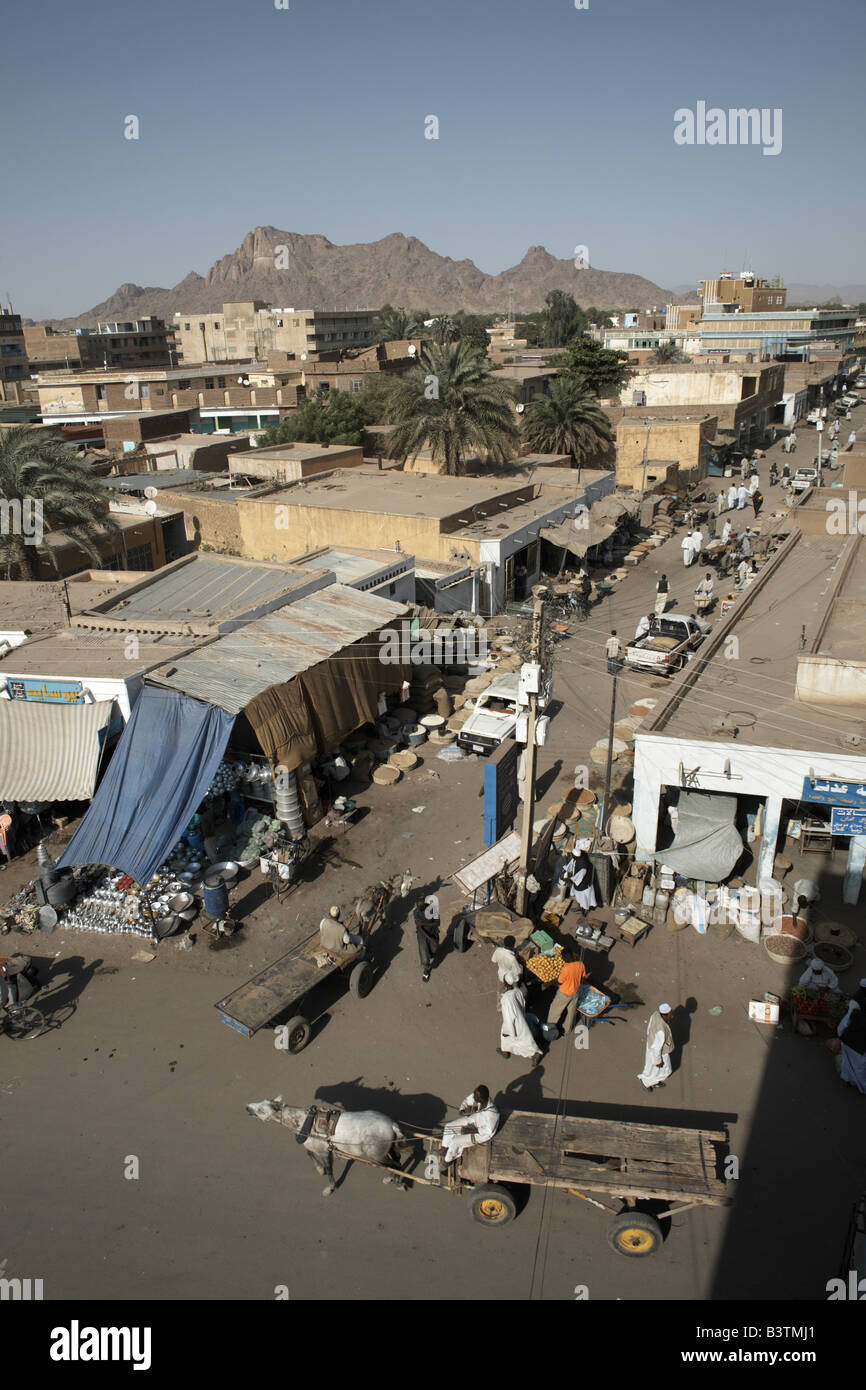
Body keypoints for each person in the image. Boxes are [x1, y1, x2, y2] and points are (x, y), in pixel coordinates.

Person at [441, 1086, 500, 1164]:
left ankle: (447, 1161)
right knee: (449, 1126)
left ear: (481, 1099)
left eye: (475, 1096)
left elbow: (488, 1131)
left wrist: (470, 1130)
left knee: (455, 1141)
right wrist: (462, 1109)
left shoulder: (492, 1114)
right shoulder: (481, 1099)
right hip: (476, 1119)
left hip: (481, 1134)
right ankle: (444, 1148)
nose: (473, 1097)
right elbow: (467, 1100)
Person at [546, 946, 587, 1035]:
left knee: (555, 1010)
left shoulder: (566, 968)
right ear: (572, 955)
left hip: (564, 993)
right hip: (575, 992)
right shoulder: (580, 964)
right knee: (571, 1012)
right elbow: (583, 977)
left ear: (564, 959)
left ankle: (550, 1029)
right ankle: (566, 1030)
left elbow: (560, 982)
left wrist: (551, 982)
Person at [498, 982, 542, 1062]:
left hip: (513, 1024)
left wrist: (508, 1031)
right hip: (521, 1018)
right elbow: (523, 1004)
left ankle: (534, 1053)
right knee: (524, 1038)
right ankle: (504, 1050)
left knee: (511, 1039)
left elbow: (508, 1017)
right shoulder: (517, 991)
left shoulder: (506, 998)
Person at [836, 982, 866, 1094]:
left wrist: (840, 1036)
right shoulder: (858, 1006)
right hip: (859, 1046)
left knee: (847, 1063)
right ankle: (863, 1087)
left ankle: (847, 1080)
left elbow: (844, 1025)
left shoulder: (855, 1010)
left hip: (848, 1042)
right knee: (860, 1068)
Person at [638, 1003, 674, 1090]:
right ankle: (647, 1083)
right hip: (658, 1053)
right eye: (670, 1014)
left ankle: (652, 1081)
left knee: (652, 1069)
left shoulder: (655, 1015)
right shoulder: (661, 1031)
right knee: (664, 1071)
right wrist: (658, 1061)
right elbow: (657, 1048)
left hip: (651, 1045)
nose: (672, 1016)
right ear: (665, 1014)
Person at [414, 896, 440, 983]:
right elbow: (420, 928)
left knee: (434, 949)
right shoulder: (416, 912)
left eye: (420, 907)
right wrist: (430, 939)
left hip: (433, 931)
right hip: (422, 934)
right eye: (417, 907)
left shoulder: (433, 909)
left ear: (425, 906)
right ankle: (426, 969)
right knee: (423, 952)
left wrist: (424, 924)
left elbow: (438, 923)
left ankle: (430, 953)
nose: (418, 909)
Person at [563, 848, 597, 913]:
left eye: (572, 855)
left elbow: (578, 878)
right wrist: (566, 870)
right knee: (580, 898)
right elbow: (571, 865)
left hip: (583, 884)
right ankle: (581, 907)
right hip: (579, 884)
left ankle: (584, 911)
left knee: (584, 900)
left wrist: (568, 879)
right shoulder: (576, 859)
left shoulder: (583, 866)